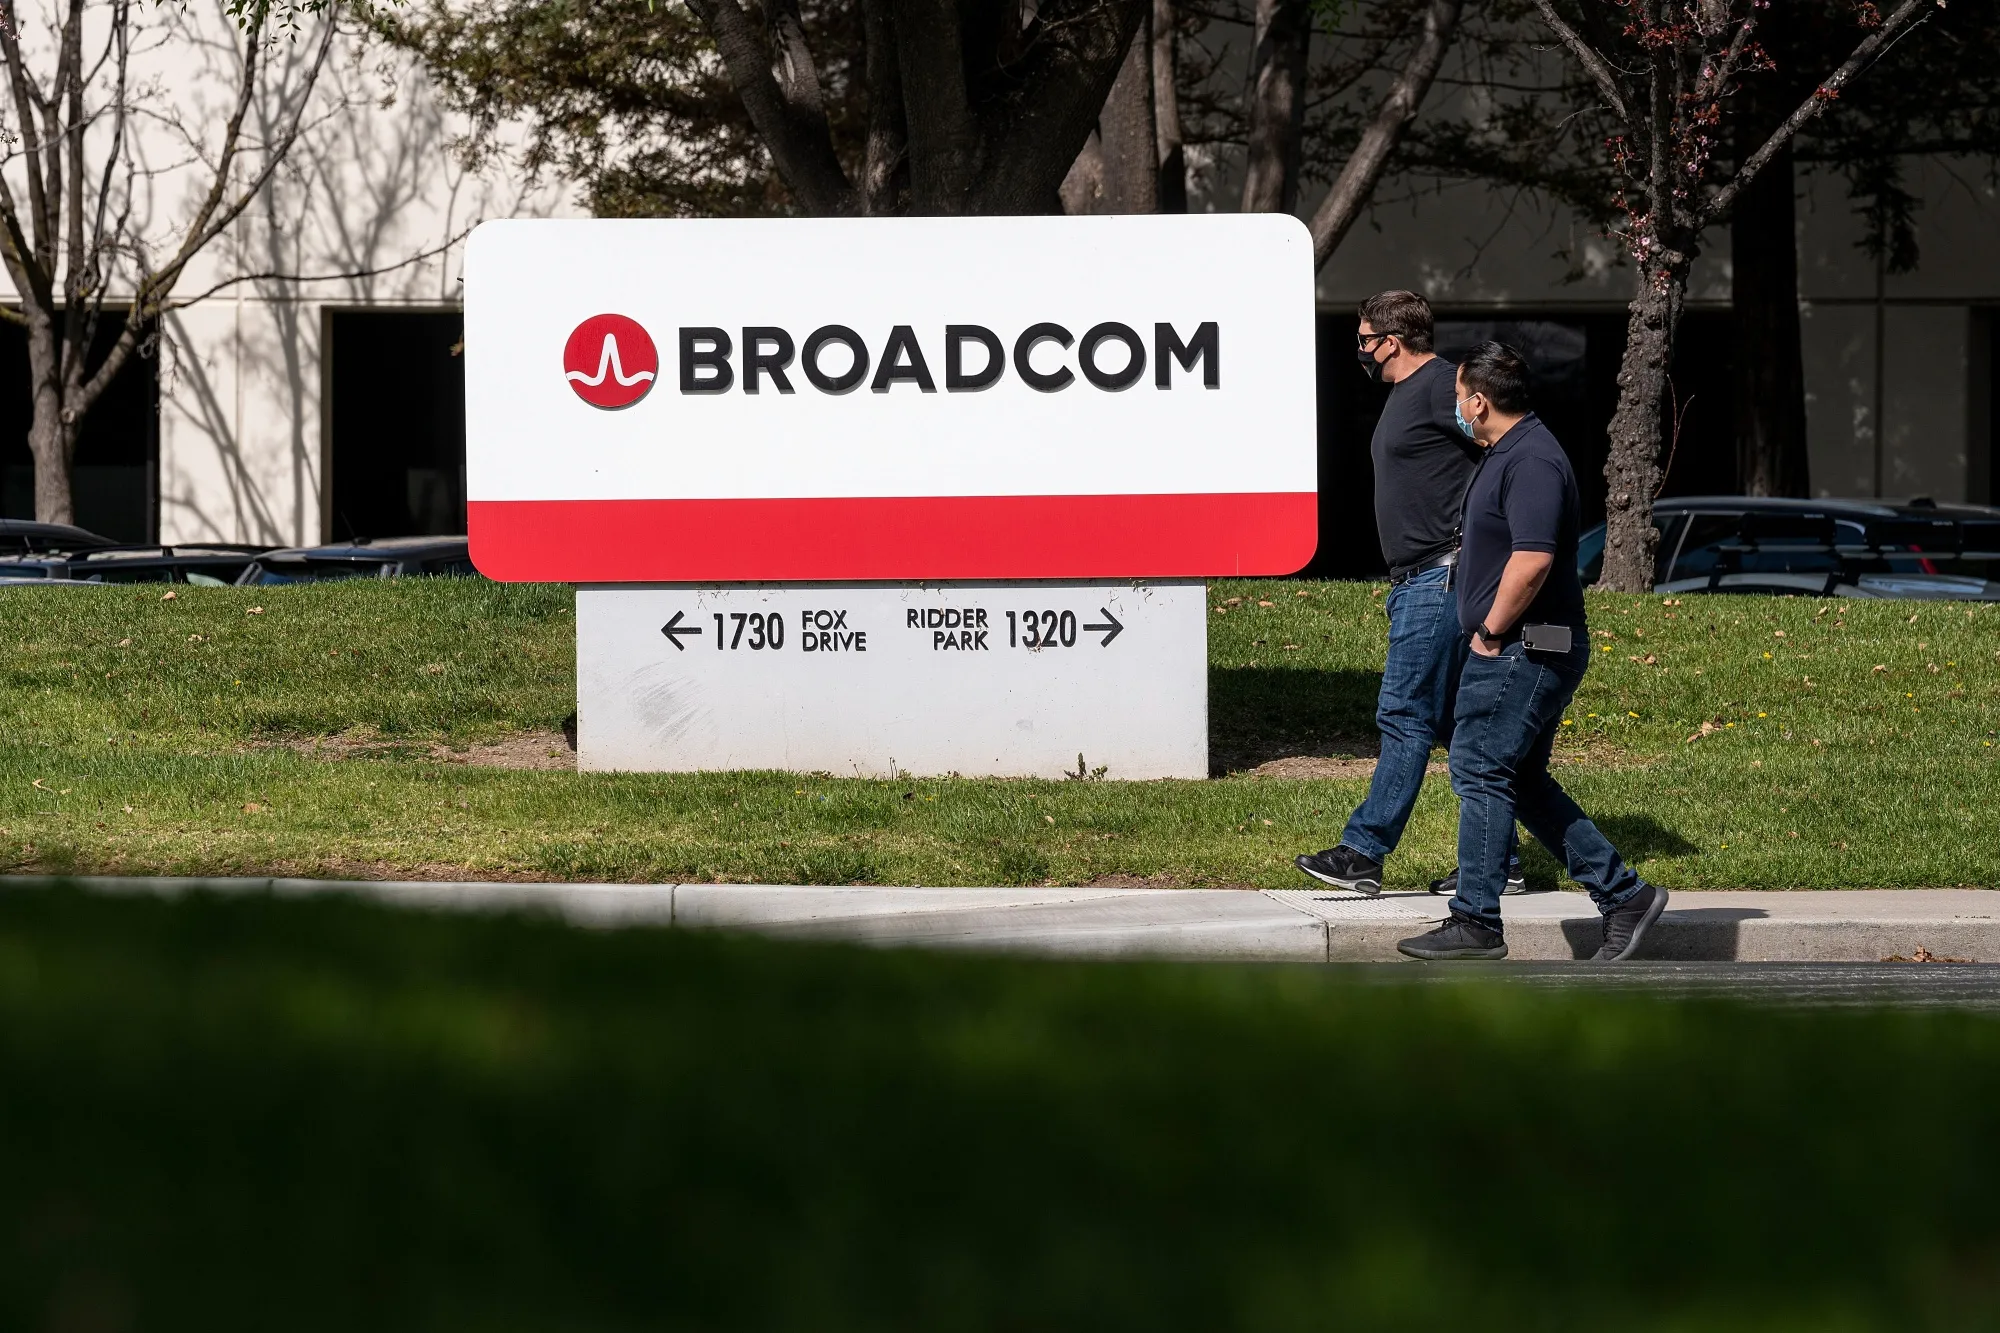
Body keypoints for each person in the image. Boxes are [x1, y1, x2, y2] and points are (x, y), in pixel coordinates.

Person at [1396, 342, 1668, 962]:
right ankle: (1624, 896)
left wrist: (1491, 631)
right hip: (1520, 645)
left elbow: (1534, 558)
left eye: (1458, 396)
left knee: (1479, 767)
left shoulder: (1533, 460)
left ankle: (1476, 921)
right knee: (1516, 778)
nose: (1455, 407)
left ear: (1478, 401)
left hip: (1525, 646)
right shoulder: (1507, 453)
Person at [1294, 291, 1521, 897]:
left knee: (1404, 713)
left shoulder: (1445, 386)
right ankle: (1502, 862)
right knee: (1454, 724)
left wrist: (1485, 538)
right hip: (1420, 578)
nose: (1359, 350)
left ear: (1390, 342)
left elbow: (1502, 445)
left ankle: (1363, 852)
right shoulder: (1409, 392)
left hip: (1440, 575)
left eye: (1364, 339)